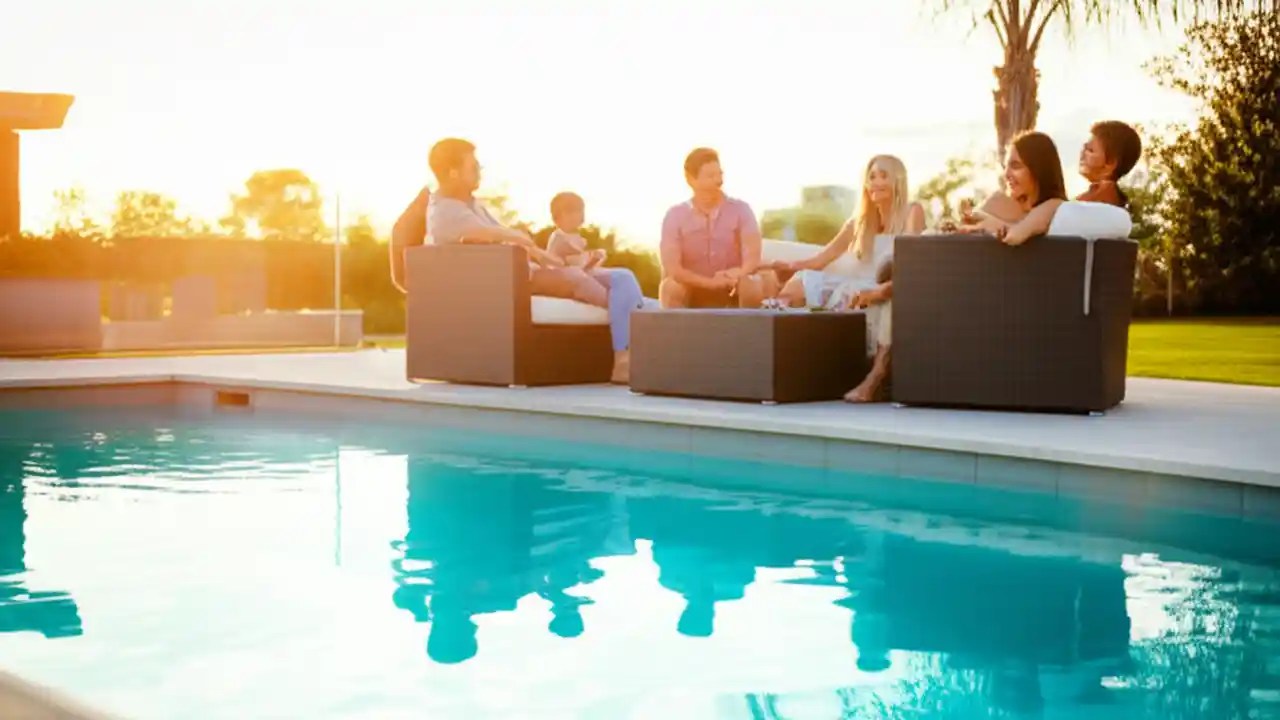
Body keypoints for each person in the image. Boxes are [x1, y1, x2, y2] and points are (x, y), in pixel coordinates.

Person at [423, 138, 643, 384]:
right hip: (510, 280)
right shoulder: (445, 210)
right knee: (579, 280)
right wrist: (516, 236)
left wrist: (546, 256)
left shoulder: (472, 205)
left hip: (527, 269)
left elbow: (524, 245)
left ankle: (637, 312)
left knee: (621, 277)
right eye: (474, 167)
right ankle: (632, 335)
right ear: (453, 173)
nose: (480, 172)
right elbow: (486, 232)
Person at [774, 155, 926, 404]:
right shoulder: (859, 222)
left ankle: (875, 380)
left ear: (898, 180)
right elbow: (819, 260)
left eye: (883, 176)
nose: (875, 182)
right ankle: (779, 363)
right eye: (871, 176)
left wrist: (879, 292)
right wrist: (782, 266)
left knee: (891, 297)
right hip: (858, 288)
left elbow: (911, 267)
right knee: (802, 281)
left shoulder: (912, 212)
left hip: (893, 287)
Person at [968, 123, 1136, 245]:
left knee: (997, 203)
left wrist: (992, 224)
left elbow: (1056, 222)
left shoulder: (1102, 196)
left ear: (1110, 163)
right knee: (996, 203)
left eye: (1090, 150)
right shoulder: (1077, 204)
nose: (1082, 154)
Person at [545, 190, 647, 383]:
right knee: (624, 279)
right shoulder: (559, 239)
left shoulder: (576, 237)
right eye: (572, 212)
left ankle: (626, 357)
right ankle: (623, 357)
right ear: (558, 217)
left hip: (584, 275)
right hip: (572, 279)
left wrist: (593, 258)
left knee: (627, 285)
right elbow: (569, 267)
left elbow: (582, 265)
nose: (578, 216)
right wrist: (590, 258)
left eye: (579, 211)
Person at [659, 148, 777, 308]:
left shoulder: (741, 210)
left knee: (753, 283)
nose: (718, 181)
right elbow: (673, 268)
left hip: (734, 285)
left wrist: (739, 273)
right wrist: (709, 283)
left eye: (720, 174)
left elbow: (752, 259)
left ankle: (749, 331)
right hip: (693, 288)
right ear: (691, 179)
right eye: (710, 176)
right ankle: (678, 332)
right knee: (670, 287)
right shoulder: (675, 215)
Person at [961, 130, 1069, 246]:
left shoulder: (1054, 206)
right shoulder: (997, 202)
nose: (1006, 174)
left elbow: (1014, 236)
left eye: (1016, 166)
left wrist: (987, 222)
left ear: (1038, 170)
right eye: (1006, 166)